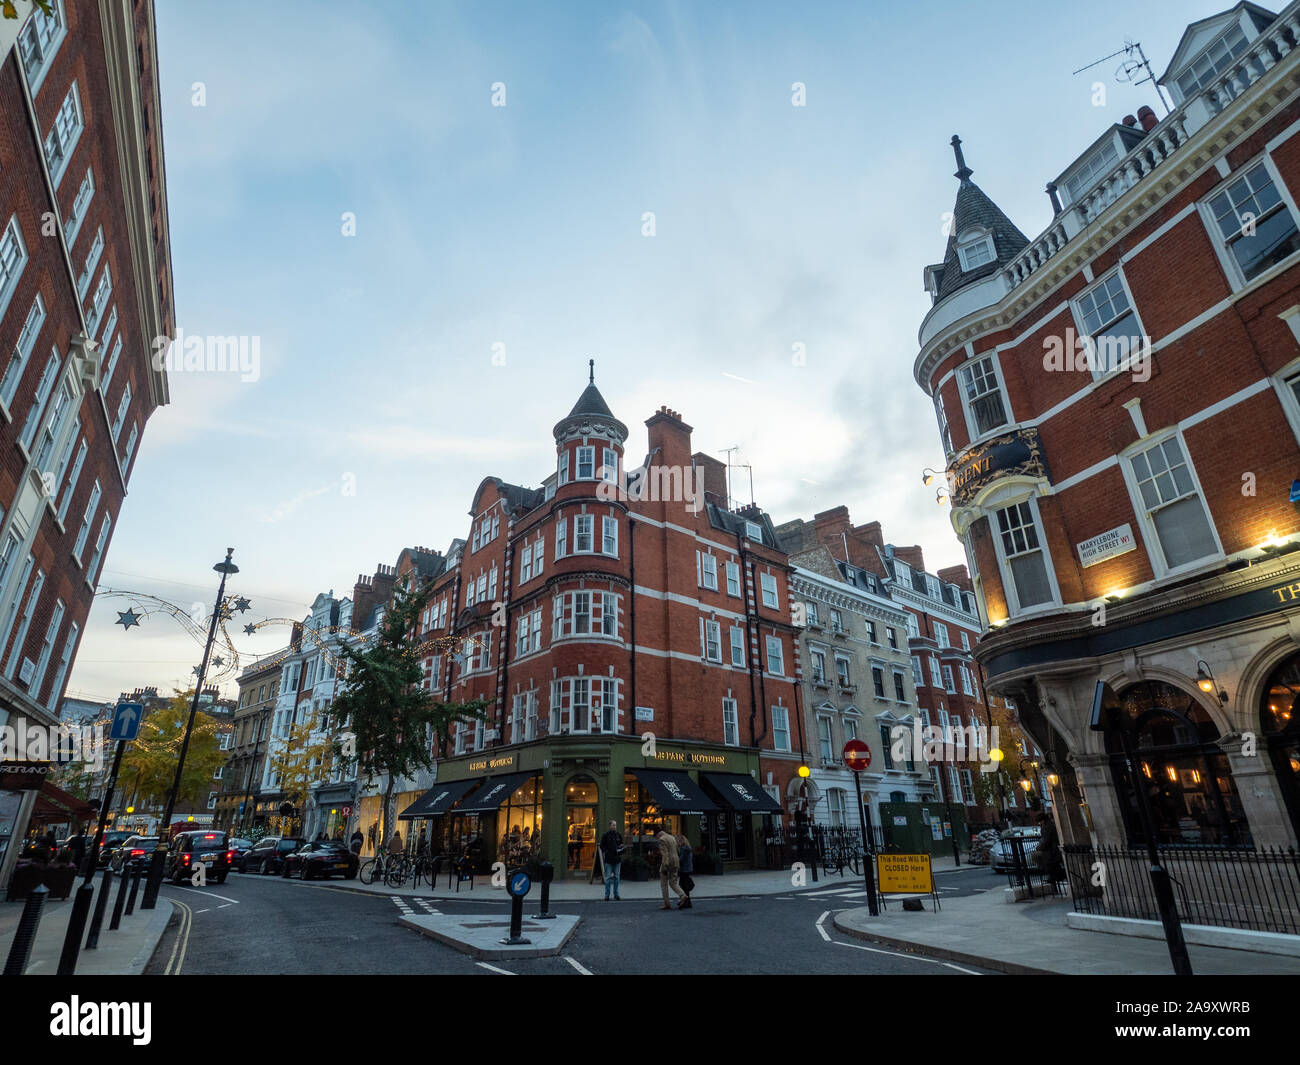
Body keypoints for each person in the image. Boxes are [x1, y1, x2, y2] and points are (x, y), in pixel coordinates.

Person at [655, 825, 687, 910]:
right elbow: (678, 850)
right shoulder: (672, 837)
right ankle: (682, 895)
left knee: (664, 884)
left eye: (656, 837)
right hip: (676, 862)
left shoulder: (662, 840)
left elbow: (665, 854)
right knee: (673, 882)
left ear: (658, 835)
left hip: (668, 863)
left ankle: (667, 903)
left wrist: (665, 866)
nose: (656, 839)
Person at [600, 820, 624, 901]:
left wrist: (621, 847)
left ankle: (616, 894)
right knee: (608, 878)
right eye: (613, 825)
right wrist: (606, 852)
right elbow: (601, 846)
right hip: (609, 860)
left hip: (617, 859)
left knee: (617, 877)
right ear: (610, 826)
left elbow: (621, 844)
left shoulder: (618, 835)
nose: (614, 827)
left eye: (615, 825)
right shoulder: (605, 835)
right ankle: (607, 895)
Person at [675, 833, 694, 907]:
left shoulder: (683, 848)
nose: (676, 842)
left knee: (683, 886)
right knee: (684, 885)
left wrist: (675, 860)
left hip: (684, 869)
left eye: (677, 841)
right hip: (688, 868)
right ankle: (688, 901)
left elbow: (681, 859)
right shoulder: (688, 847)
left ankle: (687, 901)